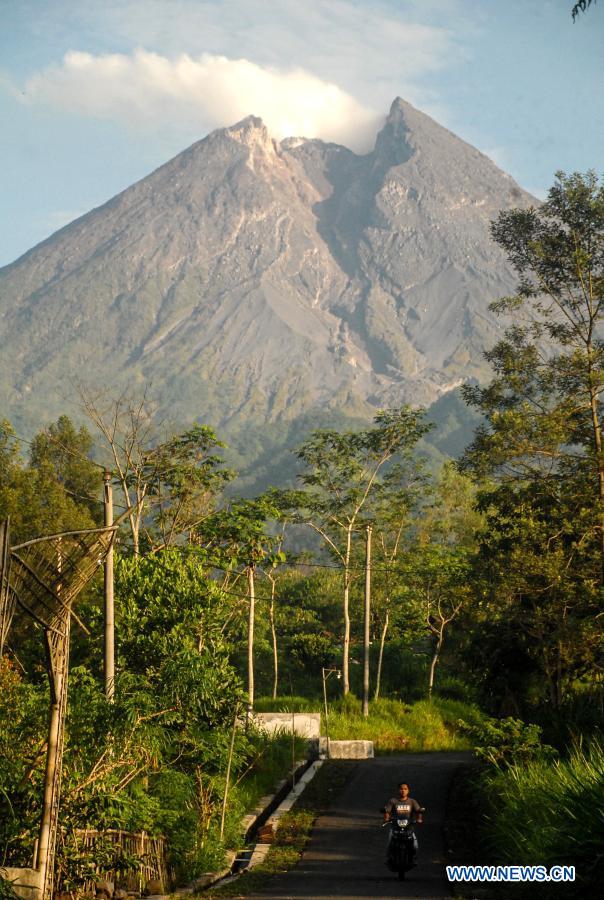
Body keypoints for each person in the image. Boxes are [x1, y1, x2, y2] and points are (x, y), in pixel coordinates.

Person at [383, 782, 423, 865]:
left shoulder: (412, 801)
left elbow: (419, 810)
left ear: (408, 791)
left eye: (405, 789)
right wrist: (386, 818)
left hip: (408, 827)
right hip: (395, 827)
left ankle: (413, 858)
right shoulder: (393, 801)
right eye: (401, 789)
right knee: (389, 842)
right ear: (398, 790)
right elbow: (387, 811)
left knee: (415, 844)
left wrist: (419, 819)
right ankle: (389, 858)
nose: (403, 791)